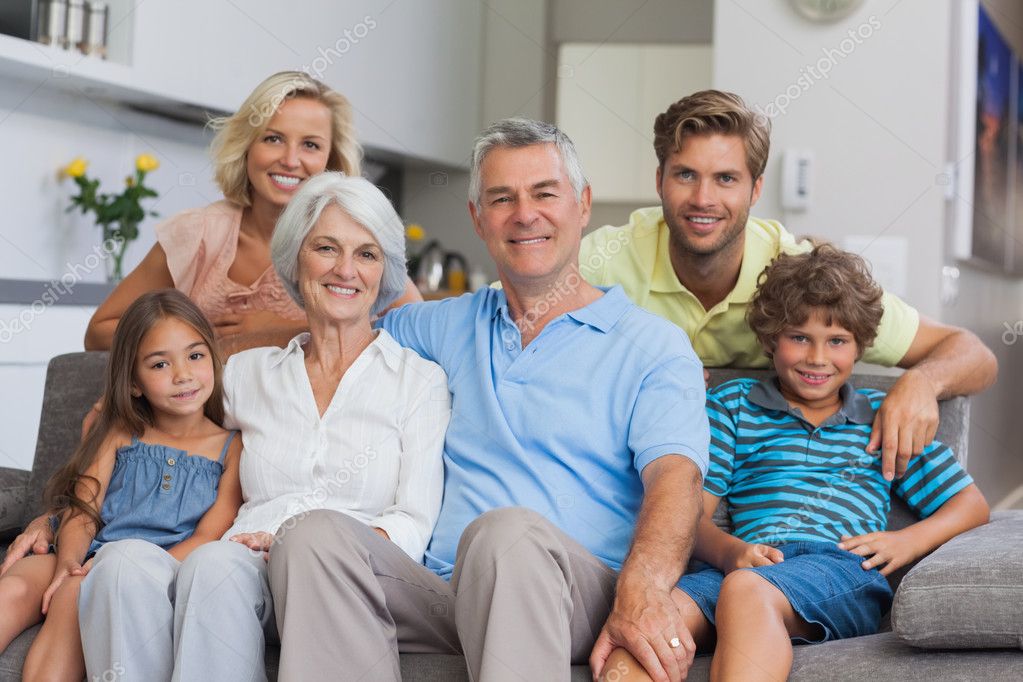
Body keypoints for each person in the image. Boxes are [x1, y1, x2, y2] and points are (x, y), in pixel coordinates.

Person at [267, 119, 710, 682]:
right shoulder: (440, 325)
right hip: (442, 590)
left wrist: (642, 592)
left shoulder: (652, 345)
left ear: (583, 205)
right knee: (313, 536)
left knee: (506, 536)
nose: (525, 214)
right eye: (502, 198)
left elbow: (677, 481)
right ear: (479, 218)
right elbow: (330, 328)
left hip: (571, 593)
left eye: (545, 194)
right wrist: (158, 379)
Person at [76, 172, 450, 682]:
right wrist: (58, 515)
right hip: (242, 567)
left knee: (218, 565)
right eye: (326, 248)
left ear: (384, 271)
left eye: (366, 253)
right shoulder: (245, 375)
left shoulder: (418, 382)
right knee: (128, 564)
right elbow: (155, 428)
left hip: (347, 576)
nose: (346, 269)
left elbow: (413, 519)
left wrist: (311, 543)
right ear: (296, 260)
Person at [612, 244, 990, 681]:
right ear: (771, 339)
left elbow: (972, 505)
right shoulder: (733, 407)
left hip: (838, 571)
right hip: (744, 565)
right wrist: (732, 552)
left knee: (747, 592)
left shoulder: (885, 418)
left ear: (860, 346)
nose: (817, 358)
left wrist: (906, 542)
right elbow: (688, 518)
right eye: (799, 337)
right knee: (650, 624)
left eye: (837, 341)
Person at [578, 89, 997, 482]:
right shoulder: (602, 260)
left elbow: (974, 354)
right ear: (659, 180)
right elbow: (514, 333)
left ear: (756, 188)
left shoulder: (801, 277)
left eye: (726, 179)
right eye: (685, 174)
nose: (703, 198)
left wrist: (923, 382)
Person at [83, 70, 419, 356]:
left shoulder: (357, 240)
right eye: (273, 139)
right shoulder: (198, 233)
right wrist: (194, 342)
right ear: (246, 147)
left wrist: (287, 329)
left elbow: (420, 333)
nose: (290, 160)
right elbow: (100, 332)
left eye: (310, 145)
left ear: (330, 161)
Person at [0, 289, 243, 681]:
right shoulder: (121, 432)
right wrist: (69, 565)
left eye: (195, 356)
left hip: (149, 572)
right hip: (82, 552)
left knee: (71, 598)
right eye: (160, 364)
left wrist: (92, 576)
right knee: (12, 590)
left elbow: (208, 536)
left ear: (213, 359)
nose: (183, 375)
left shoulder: (231, 447)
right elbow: (83, 510)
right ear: (134, 383)